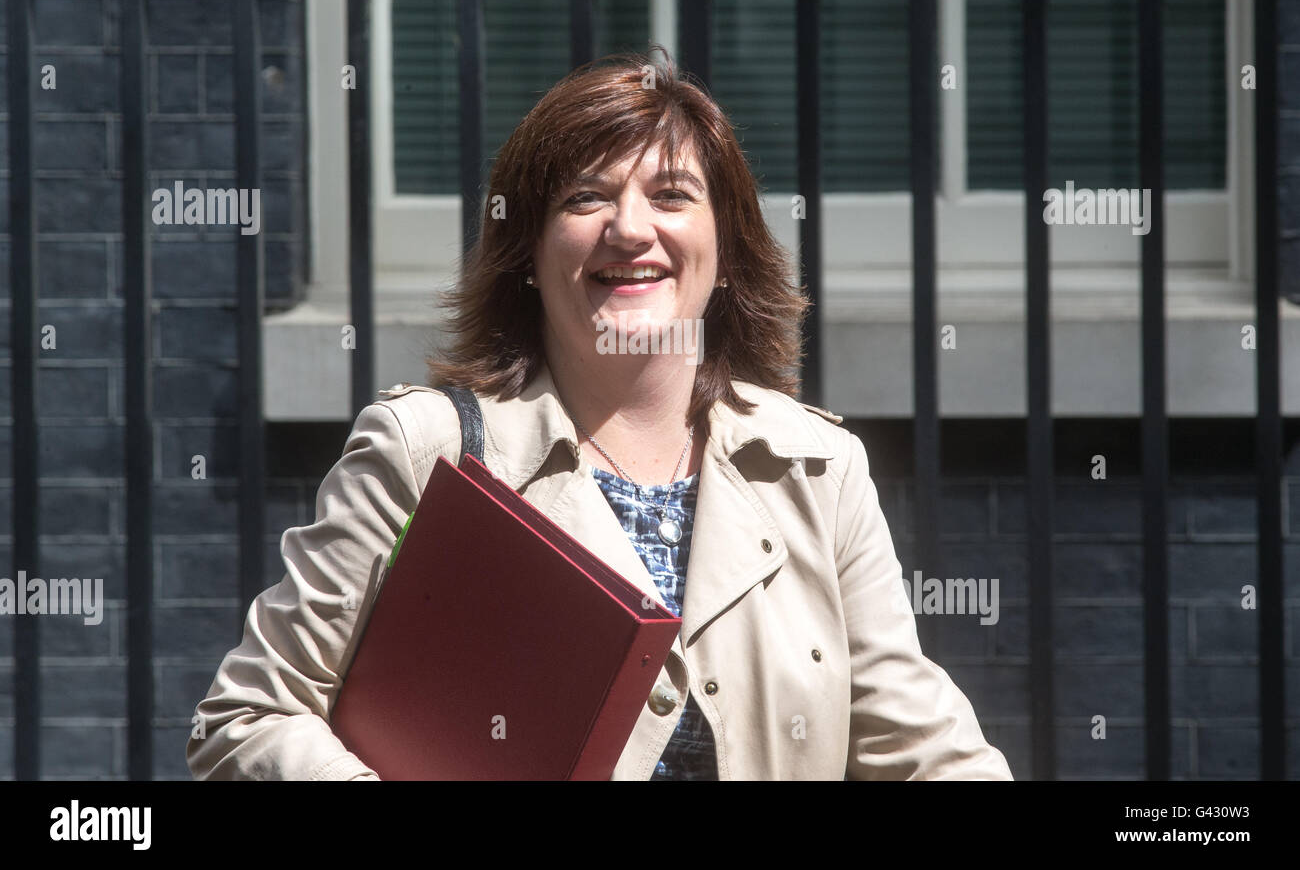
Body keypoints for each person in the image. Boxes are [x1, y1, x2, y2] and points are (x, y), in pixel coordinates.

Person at [187, 47, 1013, 781]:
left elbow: (923, 752)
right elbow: (245, 721)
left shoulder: (817, 466)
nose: (630, 228)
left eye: (671, 194)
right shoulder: (426, 450)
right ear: (530, 256)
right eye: (586, 197)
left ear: (725, 252)